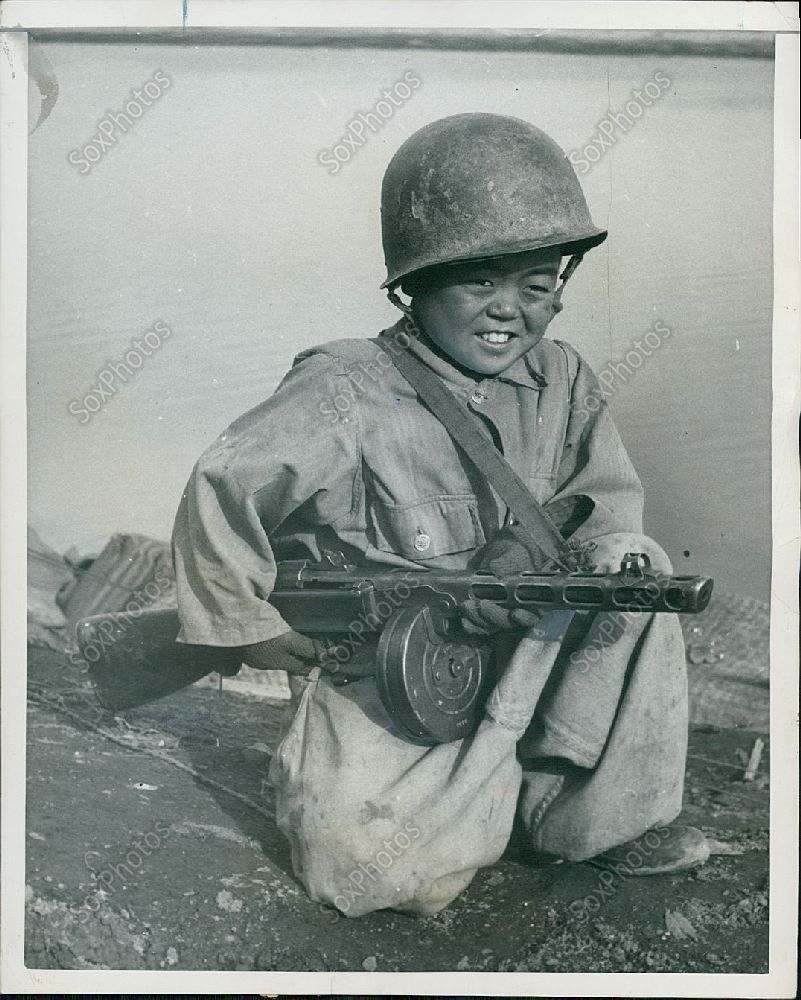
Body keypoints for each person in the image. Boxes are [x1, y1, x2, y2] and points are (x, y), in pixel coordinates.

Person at [172, 113, 709, 918]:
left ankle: (594, 818)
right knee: (366, 875)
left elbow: (602, 505)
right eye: (477, 282)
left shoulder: (562, 380)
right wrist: (245, 626)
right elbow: (223, 487)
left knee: (636, 568)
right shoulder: (345, 389)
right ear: (413, 285)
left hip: (529, 647)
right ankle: (487, 792)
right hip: (398, 674)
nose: (508, 312)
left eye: (536, 286)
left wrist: (565, 555)